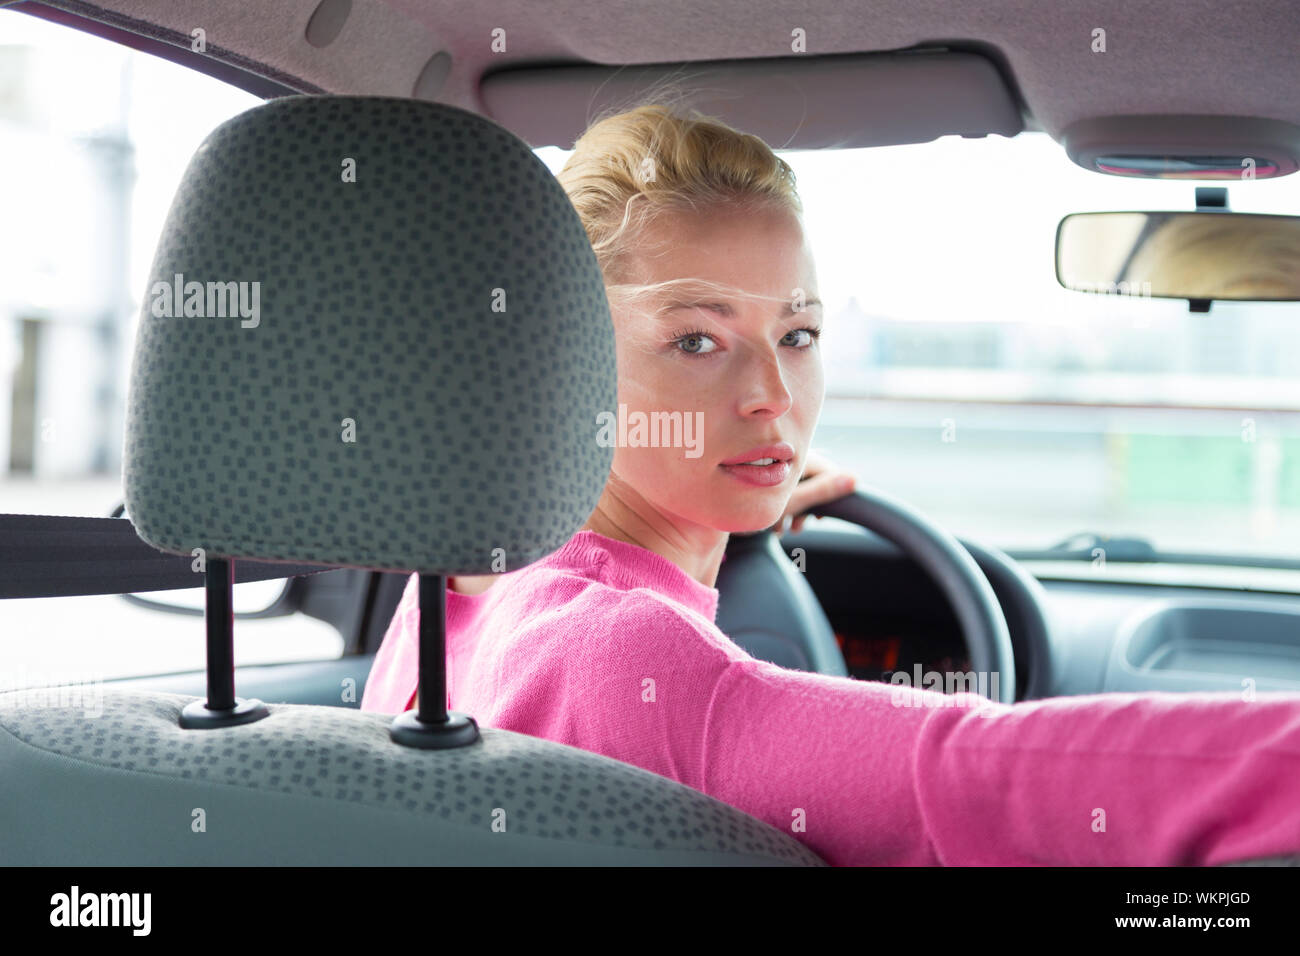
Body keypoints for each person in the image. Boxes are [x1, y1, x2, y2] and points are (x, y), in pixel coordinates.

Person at [361, 102, 1300, 865]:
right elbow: (974, 775)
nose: (772, 396)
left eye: (798, 334)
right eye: (697, 340)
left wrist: (731, 497)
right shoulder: (634, 661)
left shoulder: (453, 591)